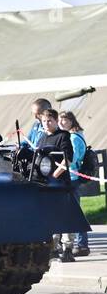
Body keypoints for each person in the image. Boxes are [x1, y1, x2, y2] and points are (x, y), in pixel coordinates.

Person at [35, 108, 77, 262]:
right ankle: (53, 248)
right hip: (46, 186)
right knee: (51, 218)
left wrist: (54, 176)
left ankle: (67, 248)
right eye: (44, 121)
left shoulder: (63, 136)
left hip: (61, 184)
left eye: (49, 121)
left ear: (55, 121)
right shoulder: (42, 139)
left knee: (65, 217)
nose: (46, 124)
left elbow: (67, 160)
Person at [60, 110, 92, 257]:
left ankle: (82, 244)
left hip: (72, 177)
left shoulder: (73, 137)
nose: (61, 123)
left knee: (74, 211)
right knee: (75, 210)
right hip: (72, 177)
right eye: (60, 120)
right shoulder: (77, 135)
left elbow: (72, 159)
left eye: (64, 120)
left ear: (71, 121)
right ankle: (81, 244)